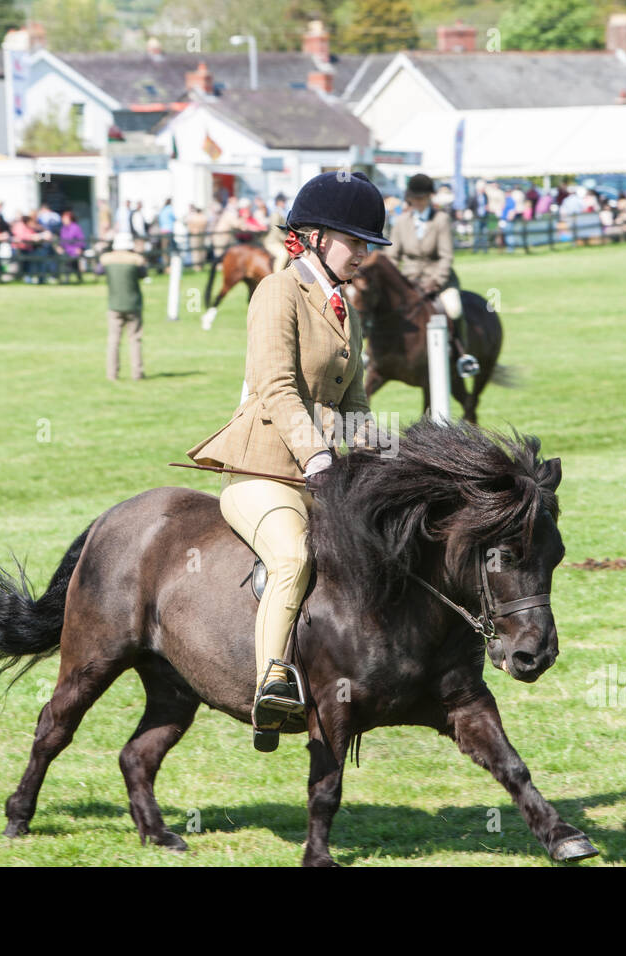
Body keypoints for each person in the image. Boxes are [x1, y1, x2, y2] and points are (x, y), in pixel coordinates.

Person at [185, 170, 389, 752]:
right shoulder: (276, 292)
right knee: (293, 554)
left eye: (369, 243)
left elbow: (354, 404)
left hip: (320, 471)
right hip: (261, 468)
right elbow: (276, 388)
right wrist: (321, 456)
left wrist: (385, 459)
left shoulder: (344, 305)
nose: (365, 254)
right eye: (358, 242)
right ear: (318, 237)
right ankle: (271, 680)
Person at [386, 173, 477, 375]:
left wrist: (436, 281)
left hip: (438, 282)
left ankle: (462, 356)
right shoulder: (401, 222)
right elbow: (392, 255)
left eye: (422, 198)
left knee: (454, 309)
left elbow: (446, 256)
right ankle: (376, 354)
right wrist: (392, 279)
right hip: (409, 281)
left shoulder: (441, 220)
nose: (418, 202)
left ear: (429, 197)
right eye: (415, 198)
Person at [101, 233, 147, 381]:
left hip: (114, 305)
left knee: (113, 341)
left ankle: (112, 374)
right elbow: (143, 274)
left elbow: (97, 270)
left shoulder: (107, 260)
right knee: (135, 339)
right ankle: (137, 373)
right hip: (133, 304)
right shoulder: (135, 261)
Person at [59, 209, 85, 280]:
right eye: (63, 218)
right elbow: (62, 241)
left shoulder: (76, 227)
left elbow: (81, 239)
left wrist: (79, 248)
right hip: (66, 250)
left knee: (73, 261)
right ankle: (66, 279)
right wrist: (60, 248)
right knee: (65, 259)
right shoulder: (63, 229)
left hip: (75, 250)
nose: (63, 220)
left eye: (65, 218)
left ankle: (76, 278)